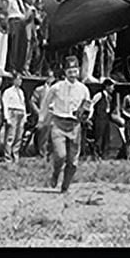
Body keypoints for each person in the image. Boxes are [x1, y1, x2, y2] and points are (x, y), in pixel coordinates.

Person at [40, 55, 92, 192]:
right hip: (58, 123)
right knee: (60, 155)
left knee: (73, 161)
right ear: (65, 73)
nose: (73, 75)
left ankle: (65, 186)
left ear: (79, 71)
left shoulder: (83, 89)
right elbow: (45, 103)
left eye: (75, 71)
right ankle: (56, 173)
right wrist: (42, 119)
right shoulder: (56, 87)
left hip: (74, 125)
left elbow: (88, 106)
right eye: (70, 72)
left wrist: (86, 115)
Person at [91, 78, 121, 160]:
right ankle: (96, 154)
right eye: (112, 86)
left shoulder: (110, 97)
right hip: (99, 118)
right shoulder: (99, 95)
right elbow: (92, 104)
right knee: (99, 136)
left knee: (106, 136)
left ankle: (104, 154)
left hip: (106, 117)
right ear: (107, 86)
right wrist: (90, 116)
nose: (113, 89)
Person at [28, 71, 56, 158]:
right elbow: (32, 101)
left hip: (53, 114)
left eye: (52, 77)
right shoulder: (39, 89)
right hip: (42, 115)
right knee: (42, 133)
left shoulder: (56, 89)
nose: (50, 79)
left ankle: (50, 153)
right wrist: (38, 111)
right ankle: (41, 153)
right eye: (49, 77)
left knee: (52, 135)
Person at [1, 71, 27, 162]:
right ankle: (7, 157)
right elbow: (5, 104)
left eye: (21, 79)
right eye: (18, 79)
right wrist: (6, 117)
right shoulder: (8, 91)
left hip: (21, 112)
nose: (20, 81)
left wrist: (25, 116)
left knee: (19, 136)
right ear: (14, 80)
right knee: (10, 136)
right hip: (12, 112)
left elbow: (23, 104)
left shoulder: (21, 92)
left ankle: (15, 154)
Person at [6, 0, 27, 73]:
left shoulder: (20, 0)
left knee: (22, 45)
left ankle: (20, 66)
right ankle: (12, 66)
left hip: (22, 22)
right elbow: (7, 11)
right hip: (14, 21)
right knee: (14, 45)